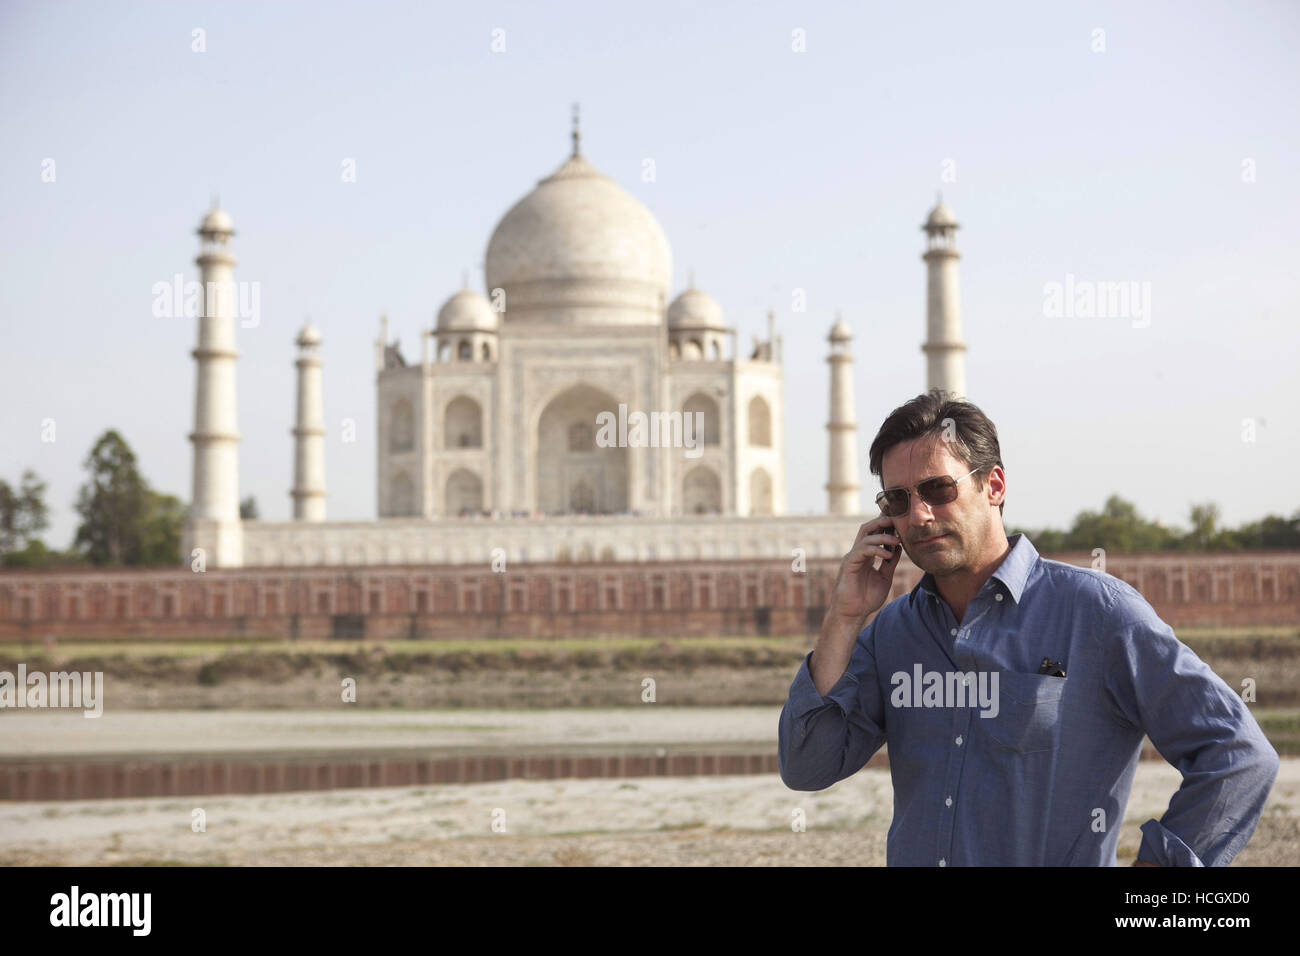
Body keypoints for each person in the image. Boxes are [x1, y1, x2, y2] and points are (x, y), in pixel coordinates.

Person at [778, 389, 1278, 866]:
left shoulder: (1094, 615)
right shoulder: (892, 634)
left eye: (937, 489)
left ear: (993, 486)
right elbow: (807, 766)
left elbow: (1236, 754)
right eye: (897, 499)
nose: (919, 515)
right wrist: (844, 618)